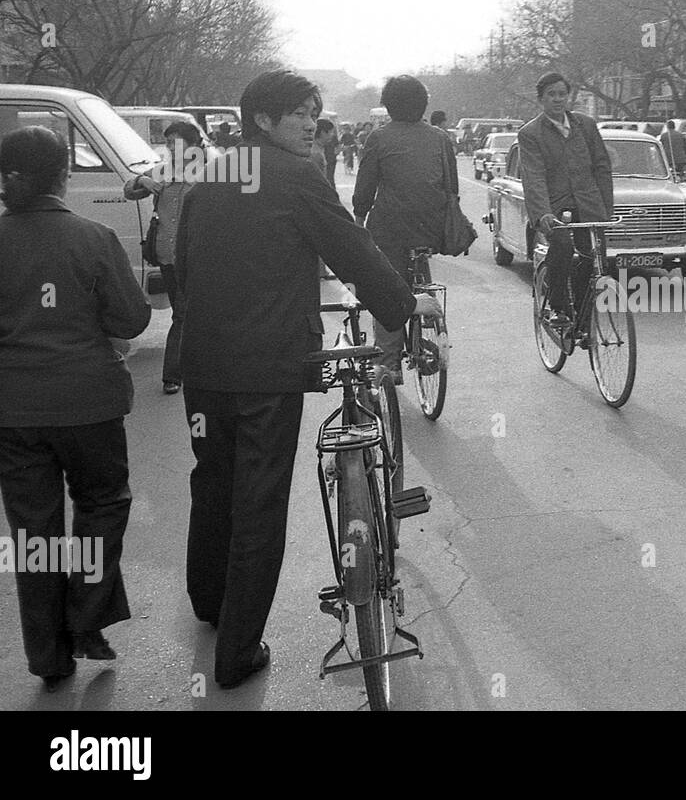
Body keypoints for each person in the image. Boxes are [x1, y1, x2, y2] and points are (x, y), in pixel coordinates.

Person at [175, 70, 440, 688]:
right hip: (268, 370)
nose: (307, 122)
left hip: (205, 365)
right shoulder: (297, 176)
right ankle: (237, 653)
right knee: (260, 501)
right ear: (262, 120)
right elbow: (353, 252)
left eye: (313, 111)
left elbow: (184, 269)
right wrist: (404, 306)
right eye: (297, 112)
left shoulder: (207, 176)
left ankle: (210, 604)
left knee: (212, 481)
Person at [0, 126, 151, 690]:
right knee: (103, 504)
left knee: (34, 532)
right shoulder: (95, 237)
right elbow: (132, 320)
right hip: (90, 404)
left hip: (14, 411)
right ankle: (87, 616)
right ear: (65, 175)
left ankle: (48, 655)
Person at [353, 75, 460, 377]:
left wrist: (360, 217)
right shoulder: (440, 137)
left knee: (387, 290)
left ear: (388, 106)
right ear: (424, 104)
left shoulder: (379, 137)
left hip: (389, 229)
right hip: (431, 228)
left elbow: (365, 188)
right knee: (418, 269)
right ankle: (429, 317)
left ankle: (389, 365)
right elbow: (451, 185)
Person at [519, 72, 613, 327]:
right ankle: (557, 307)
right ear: (541, 99)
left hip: (589, 204)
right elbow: (534, 176)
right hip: (555, 208)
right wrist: (543, 214)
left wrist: (606, 210)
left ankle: (582, 320)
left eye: (562, 94)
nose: (558, 99)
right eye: (551, 95)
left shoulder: (586, 125)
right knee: (562, 247)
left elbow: (602, 167)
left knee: (592, 257)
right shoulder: (531, 133)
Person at [124, 121, 204, 394]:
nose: (170, 147)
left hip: (199, 255)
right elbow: (129, 189)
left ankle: (183, 371)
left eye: (176, 142)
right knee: (182, 313)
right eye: (168, 143)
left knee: (192, 313)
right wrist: (142, 180)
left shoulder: (211, 172)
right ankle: (177, 373)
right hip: (168, 255)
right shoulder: (163, 171)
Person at [311, 118, 338, 190]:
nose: (332, 135)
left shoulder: (318, 148)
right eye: (331, 132)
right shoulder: (316, 154)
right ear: (323, 132)